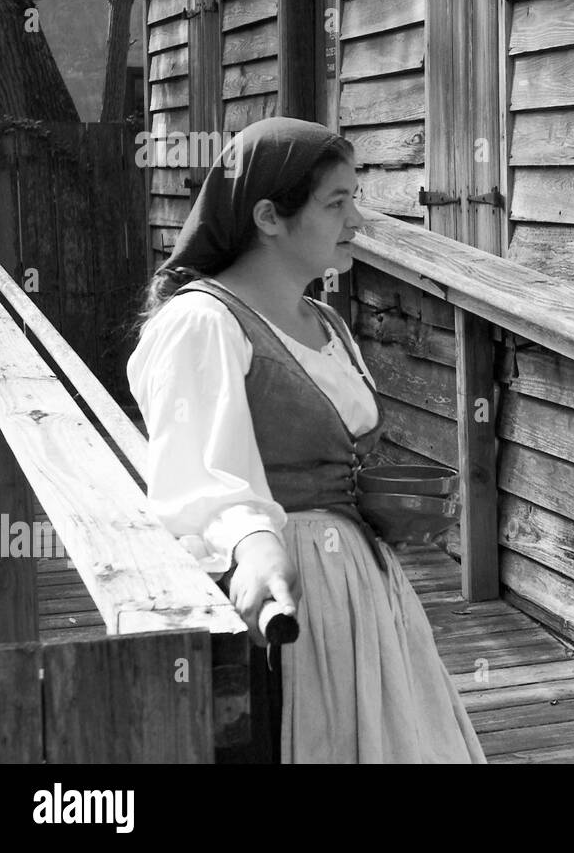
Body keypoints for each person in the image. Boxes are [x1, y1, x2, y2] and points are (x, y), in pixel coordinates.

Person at [127, 117, 485, 764]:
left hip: (361, 587)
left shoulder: (321, 318)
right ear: (269, 216)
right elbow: (201, 480)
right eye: (337, 202)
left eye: (357, 197)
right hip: (286, 590)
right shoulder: (202, 323)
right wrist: (257, 547)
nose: (358, 218)